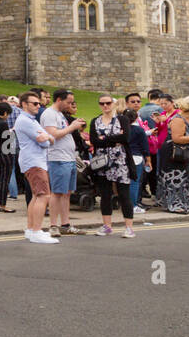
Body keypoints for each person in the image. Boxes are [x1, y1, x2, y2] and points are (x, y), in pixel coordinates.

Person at [40, 89, 87, 236]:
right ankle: (53, 225)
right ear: (59, 100)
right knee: (57, 193)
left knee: (67, 193)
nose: (70, 105)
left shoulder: (60, 115)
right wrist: (72, 127)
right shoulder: (49, 114)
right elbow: (52, 134)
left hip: (69, 158)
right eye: (68, 102)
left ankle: (65, 224)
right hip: (58, 158)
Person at [89, 97, 136, 237]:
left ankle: (129, 228)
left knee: (124, 194)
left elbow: (126, 138)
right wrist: (114, 138)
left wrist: (105, 138)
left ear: (113, 104)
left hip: (120, 161)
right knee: (105, 194)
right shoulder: (95, 121)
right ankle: (107, 225)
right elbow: (94, 141)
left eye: (108, 103)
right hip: (102, 162)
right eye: (102, 103)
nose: (105, 106)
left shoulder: (122, 120)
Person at [14, 92, 57, 244]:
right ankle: (36, 231)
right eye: (35, 103)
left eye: (39, 103)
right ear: (24, 104)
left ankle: (32, 229)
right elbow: (44, 141)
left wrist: (47, 138)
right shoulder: (25, 121)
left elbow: (49, 138)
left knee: (35, 195)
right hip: (34, 162)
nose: (39, 106)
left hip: (34, 161)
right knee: (43, 195)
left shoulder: (31, 120)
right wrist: (47, 138)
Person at [160, 97, 189, 214]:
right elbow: (177, 138)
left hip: (187, 152)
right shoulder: (178, 120)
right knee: (176, 179)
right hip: (174, 153)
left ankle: (188, 204)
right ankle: (174, 204)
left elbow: (186, 136)